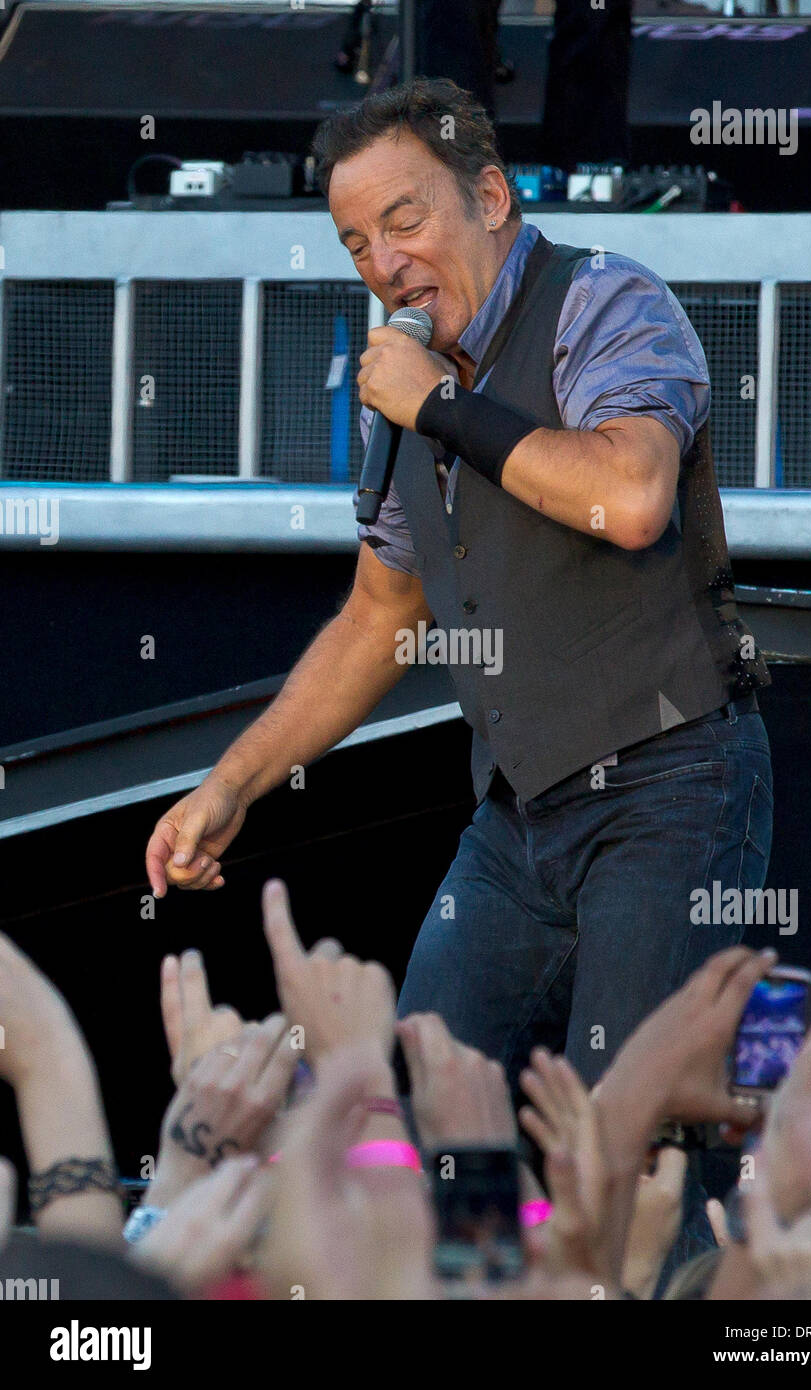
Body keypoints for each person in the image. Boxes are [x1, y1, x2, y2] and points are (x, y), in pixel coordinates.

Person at [144, 80, 771, 1248]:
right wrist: (233, 781)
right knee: (423, 1111)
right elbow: (381, 614)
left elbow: (630, 495)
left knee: (628, 1151)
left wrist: (439, 405)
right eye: (355, 242)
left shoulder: (603, 300)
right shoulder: (404, 382)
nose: (383, 262)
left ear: (489, 196)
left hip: (670, 783)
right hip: (519, 813)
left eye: (404, 219)